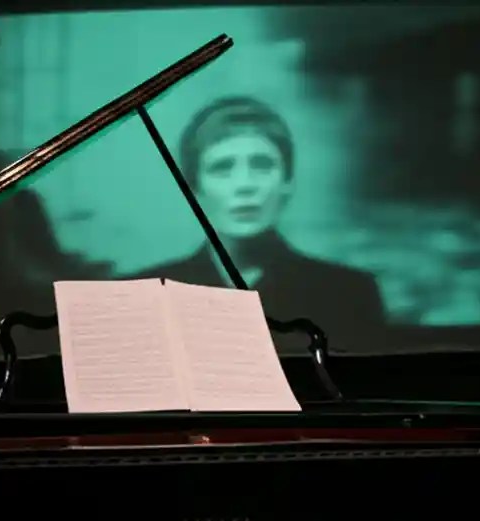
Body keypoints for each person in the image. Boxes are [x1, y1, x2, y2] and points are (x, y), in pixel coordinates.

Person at [132, 96, 386, 348]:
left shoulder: (348, 293)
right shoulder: (148, 294)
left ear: (288, 182)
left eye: (262, 165)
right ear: (194, 188)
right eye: (222, 168)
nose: (245, 185)